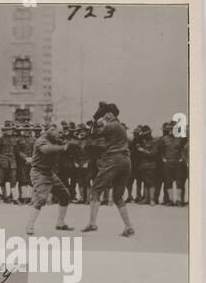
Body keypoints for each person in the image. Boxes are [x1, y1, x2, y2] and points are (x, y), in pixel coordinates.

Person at [84, 101, 136, 237]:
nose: (104, 116)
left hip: (114, 159)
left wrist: (95, 118)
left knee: (95, 189)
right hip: (125, 161)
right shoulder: (120, 127)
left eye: (106, 113)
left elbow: (93, 133)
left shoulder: (112, 126)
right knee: (118, 196)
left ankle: (92, 223)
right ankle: (128, 226)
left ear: (111, 114)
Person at [24, 126, 74, 235]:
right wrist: (63, 148)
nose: (61, 135)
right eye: (59, 132)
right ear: (51, 131)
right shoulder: (41, 140)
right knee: (41, 199)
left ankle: (60, 223)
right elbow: (46, 150)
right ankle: (30, 225)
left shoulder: (56, 140)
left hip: (49, 172)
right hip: (39, 172)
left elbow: (66, 148)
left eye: (62, 133)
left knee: (64, 195)